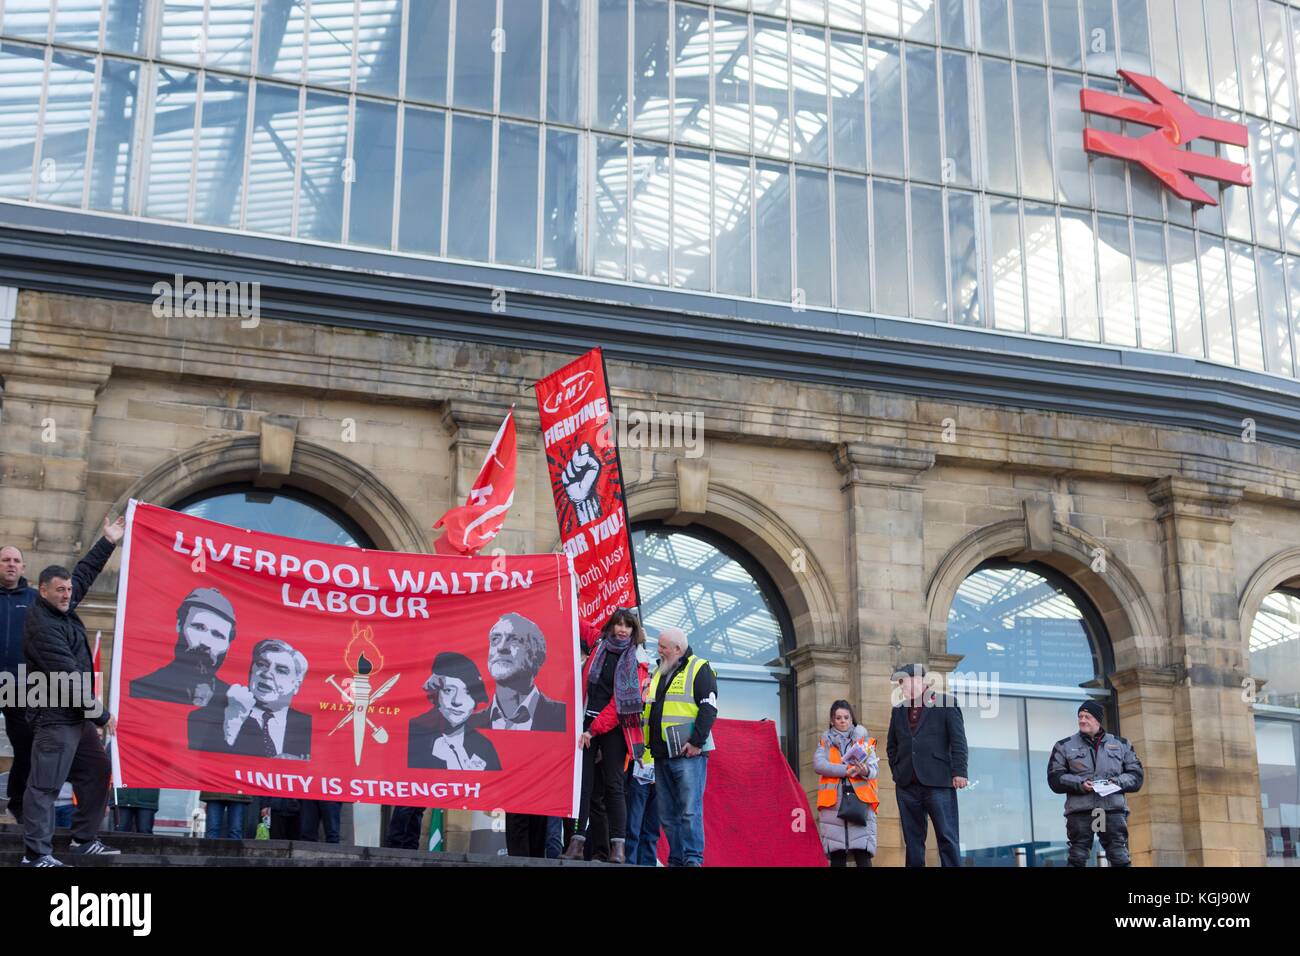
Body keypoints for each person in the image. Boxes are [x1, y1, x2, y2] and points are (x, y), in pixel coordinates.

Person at [20, 516, 124, 866]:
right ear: (42, 590)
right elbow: (66, 677)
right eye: (60, 590)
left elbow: (83, 573)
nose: (67, 595)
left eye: (68, 590)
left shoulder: (61, 607)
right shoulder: (41, 625)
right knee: (45, 787)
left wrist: (108, 541)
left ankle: (83, 840)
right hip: (54, 719)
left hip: (76, 719)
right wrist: (102, 714)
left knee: (97, 770)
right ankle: (35, 855)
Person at [562, 609, 649, 864]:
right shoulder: (599, 643)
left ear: (634, 631)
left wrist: (593, 729)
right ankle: (577, 844)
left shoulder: (635, 660)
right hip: (586, 726)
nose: (622, 629)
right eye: (618, 624)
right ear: (610, 626)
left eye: (627, 626)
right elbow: (575, 621)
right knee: (583, 786)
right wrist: (569, 588)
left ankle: (617, 849)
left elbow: (619, 706)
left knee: (613, 787)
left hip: (614, 730)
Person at [644, 626, 717, 867]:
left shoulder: (699, 667)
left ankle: (693, 859)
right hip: (662, 754)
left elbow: (709, 707)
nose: (659, 650)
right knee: (667, 815)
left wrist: (696, 742)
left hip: (689, 755)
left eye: (663, 647)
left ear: (678, 648)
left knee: (689, 811)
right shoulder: (659, 671)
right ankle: (677, 859)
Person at [886, 663, 968, 867]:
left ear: (917, 681)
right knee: (913, 842)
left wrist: (959, 772)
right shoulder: (898, 710)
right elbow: (891, 746)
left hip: (938, 782)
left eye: (902, 681)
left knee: (947, 838)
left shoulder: (946, 703)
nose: (901, 686)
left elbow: (958, 741)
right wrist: (897, 772)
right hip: (907, 786)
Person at [1047, 700, 1144, 867]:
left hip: (1112, 810)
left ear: (1098, 720)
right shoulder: (1064, 746)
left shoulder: (1122, 745)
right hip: (1080, 811)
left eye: (1087, 717)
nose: (1082, 720)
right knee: (1077, 856)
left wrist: (1116, 782)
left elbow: (1136, 776)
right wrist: (1080, 783)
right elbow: (1055, 778)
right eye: (1080, 716)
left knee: (1119, 855)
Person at [187, 638, 312, 759]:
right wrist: (232, 723)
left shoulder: (308, 725)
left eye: (281, 670)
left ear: (296, 685)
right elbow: (203, 764)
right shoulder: (207, 716)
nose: (266, 673)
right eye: (262, 665)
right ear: (251, 670)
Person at [130, 587, 236, 706]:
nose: (206, 642)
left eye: (218, 635)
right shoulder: (142, 689)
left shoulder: (234, 704)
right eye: (199, 627)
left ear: (228, 646)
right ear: (179, 625)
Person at [814, 700, 879, 867]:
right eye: (838, 718)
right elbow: (819, 765)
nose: (843, 721)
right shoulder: (825, 742)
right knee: (837, 856)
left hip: (860, 803)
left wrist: (863, 770)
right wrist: (846, 770)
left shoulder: (864, 741)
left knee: (863, 855)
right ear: (832, 720)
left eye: (846, 717)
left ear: (851, 719)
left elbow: (873, 769)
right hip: (833, 805)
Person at [407, 652, 500, 770]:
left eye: (467, 692)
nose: (456, 701)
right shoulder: (412, 736)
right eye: (448, 690)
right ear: (436, 694)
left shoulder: (484, 746)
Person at [0, 544, 37, 824]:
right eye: (5, 560)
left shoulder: (35, 599)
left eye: (16, 561)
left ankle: (18, 801)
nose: (11, 564)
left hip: (21, 685)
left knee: (26, 743)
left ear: (23, 567)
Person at [486, 612, 566, 731]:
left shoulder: (564, 718)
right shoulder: (469, 723)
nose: (501, 647)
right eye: (495, 639)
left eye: (515, 640)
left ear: (537, 657)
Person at [623, 642, 661, 866]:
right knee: (633, 827)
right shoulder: (645, 684)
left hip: (663, 768)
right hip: (642, 766)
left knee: (652, 831)